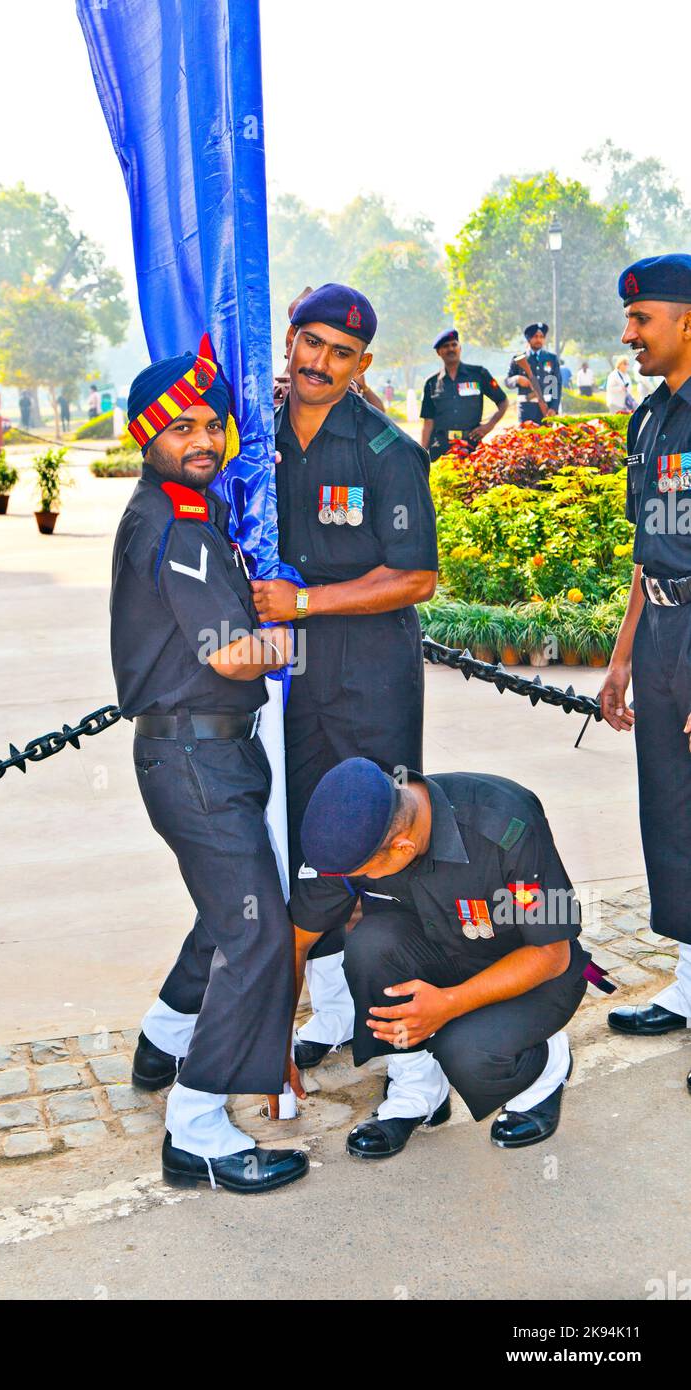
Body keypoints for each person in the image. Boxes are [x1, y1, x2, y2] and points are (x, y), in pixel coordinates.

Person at [110, 341, 308, 1194]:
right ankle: (196, 1128)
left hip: (203, 749)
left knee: (227, 910)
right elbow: (230, 653)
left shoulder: (190, 511)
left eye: (211, 424)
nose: (203, 438)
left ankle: (162, 1041)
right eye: (180, 426)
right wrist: (300, 634)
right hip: (197, 754)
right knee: (258, 931)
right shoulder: (179, 525)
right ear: (146, 437)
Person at [251, 283, 439, 1070]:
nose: (321, 363)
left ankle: (410, 1059)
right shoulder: (256, 442)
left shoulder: (388, 452)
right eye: (311, 342)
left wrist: (309, 600)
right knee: (307, 848)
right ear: (289, 340)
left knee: (384, 850)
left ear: (363, 364)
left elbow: (416, 578)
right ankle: (330, 1016)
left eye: (341, 352)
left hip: (373, 679)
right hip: (290, 685)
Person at [290, 758, 592, 1156]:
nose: (357, 880)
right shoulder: (360, 836)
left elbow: (552, 954)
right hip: (443, 951)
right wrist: (272, 1044)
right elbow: (297, 943)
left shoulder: (507, 823)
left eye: (365, 872)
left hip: (529, 969)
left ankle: (545, 1063)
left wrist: (448, 1004)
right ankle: (418, 1091)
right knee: (370, 945)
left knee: (466, 1052)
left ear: (403, 847)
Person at [599, 254, 691, 1087]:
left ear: (689, 319)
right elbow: (646, 552)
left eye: (643, 320)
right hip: (661, 633)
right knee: (671, 812)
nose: (628, 334)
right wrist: (621, 661)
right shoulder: (650, 420)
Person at [420, 328, 508, 462]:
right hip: (441, 448)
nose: (451, 349)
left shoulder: (479, 374)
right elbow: (428, 422)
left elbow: (503, 401)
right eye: (445, 346)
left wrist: (488, 426)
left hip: (471, 446)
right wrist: (421, 454)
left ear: (460, 348)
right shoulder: (431, 383)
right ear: (439, 352)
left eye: (454, 345)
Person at [505, 322, 562, 423]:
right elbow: (507, 381)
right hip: (526, 409)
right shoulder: (518, 359)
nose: (539, 339)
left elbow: (556, 385)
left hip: (546, 408)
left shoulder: (551, 358)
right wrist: (516, 379)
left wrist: (554, 407)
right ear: (529, 339)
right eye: (535, 336)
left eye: (541, 337)